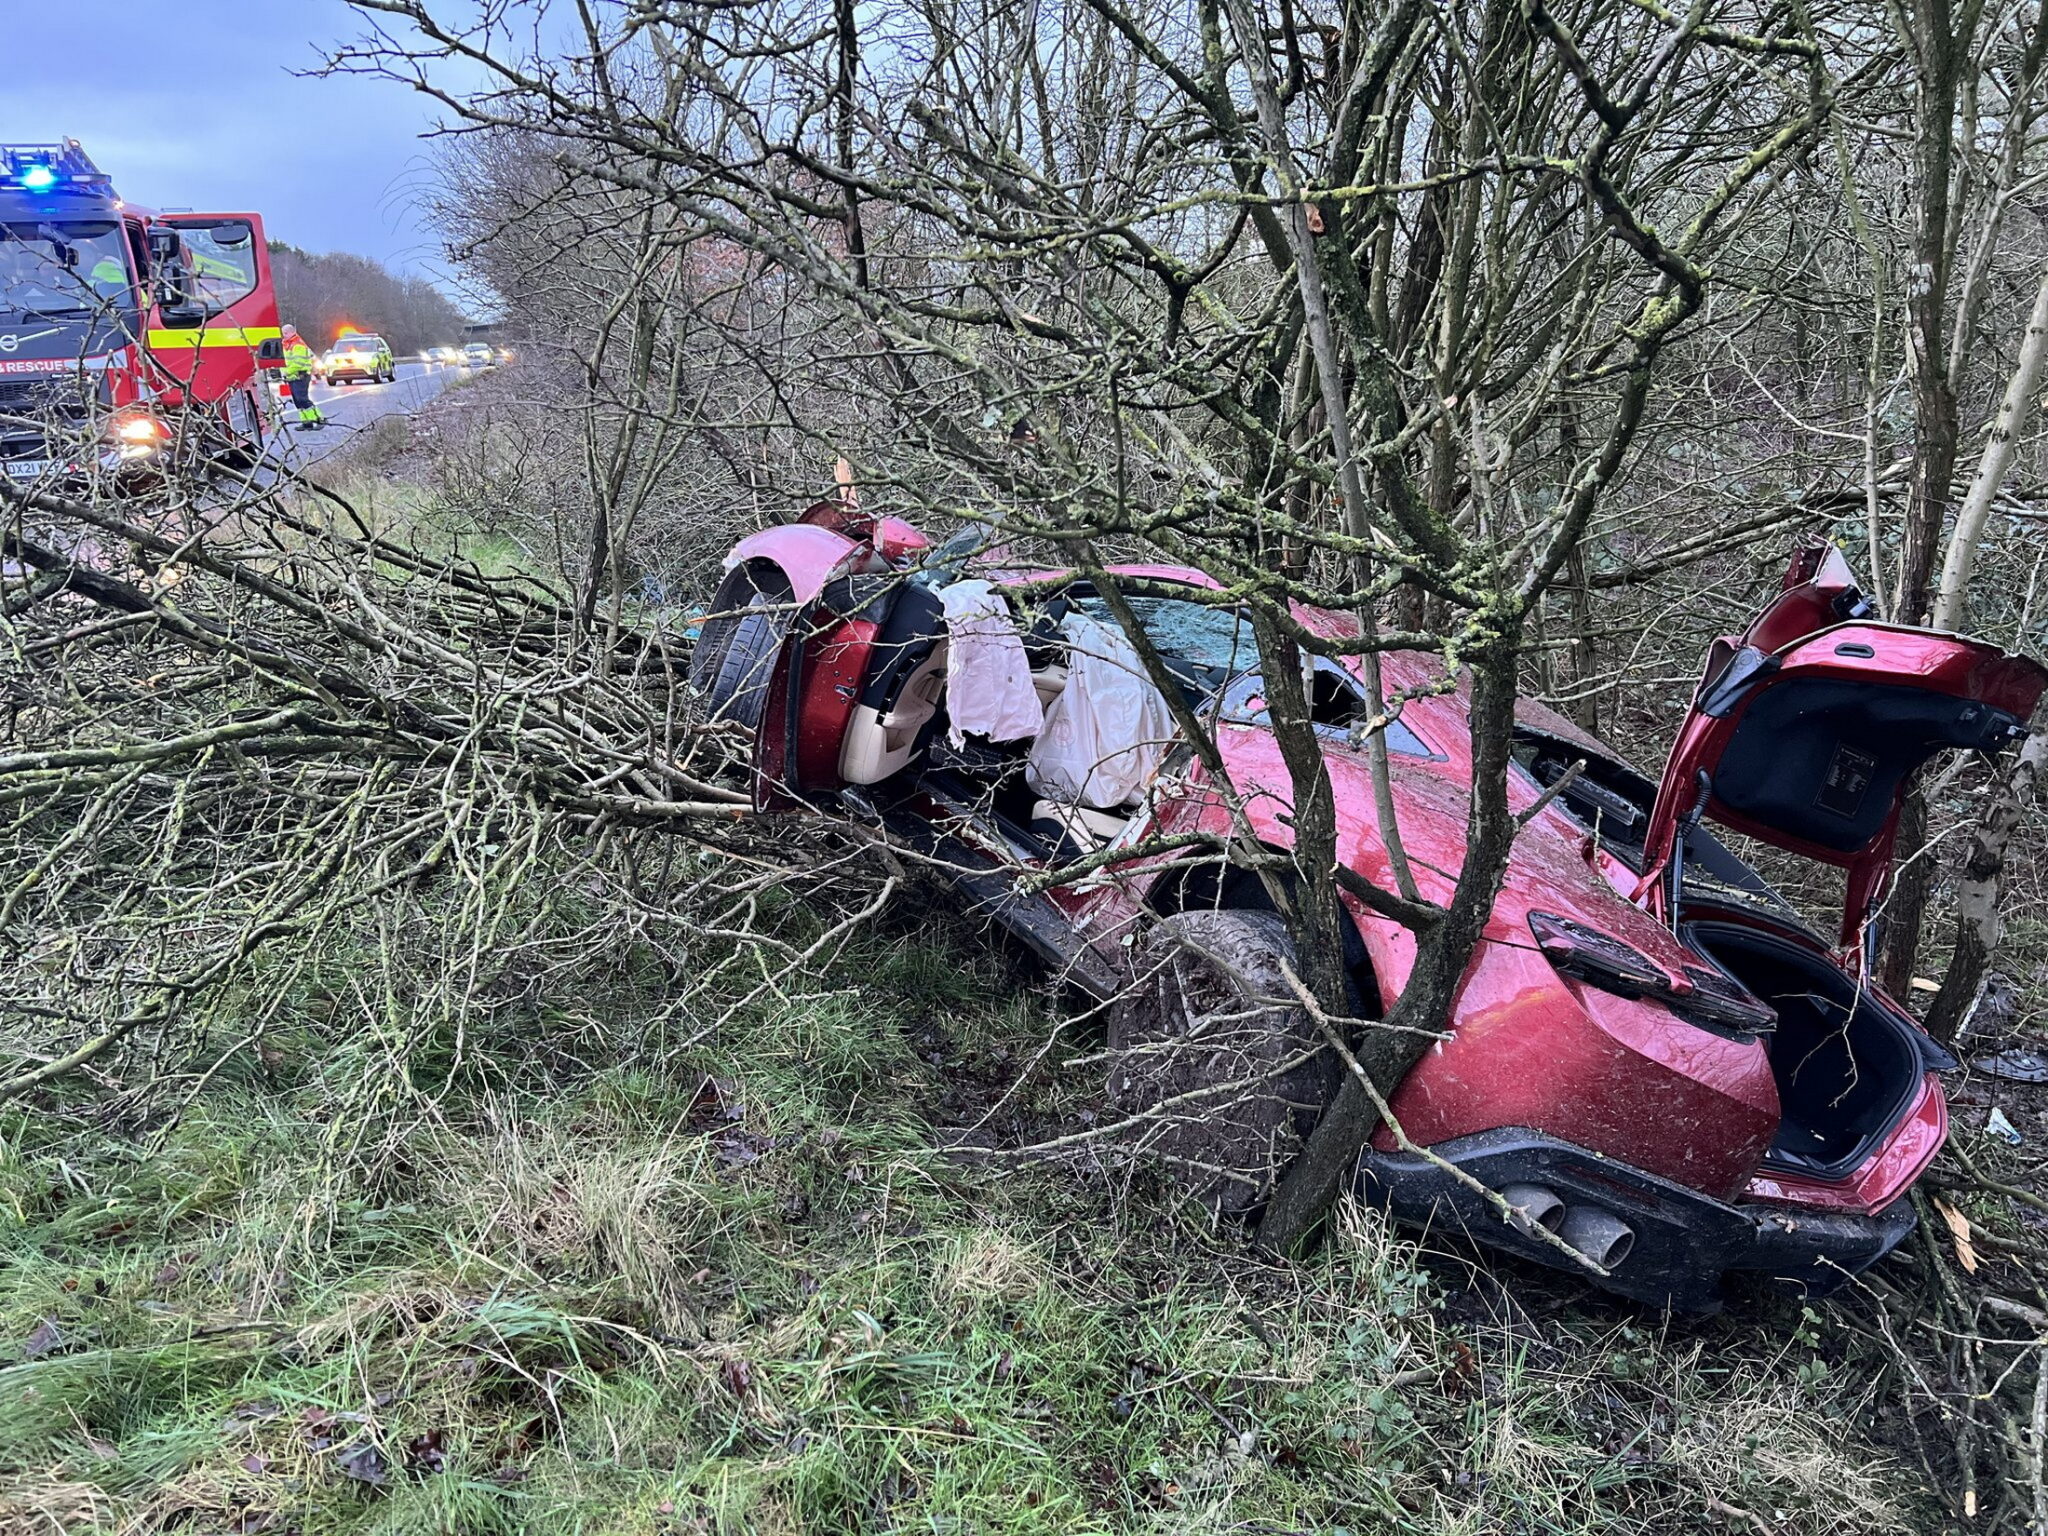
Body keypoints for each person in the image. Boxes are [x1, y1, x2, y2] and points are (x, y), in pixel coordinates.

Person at [281, 325, 323, 431]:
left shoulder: (298, 345)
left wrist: (287, 371)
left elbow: (298, 363)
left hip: (301, 375)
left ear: (292, 332)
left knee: (303, 399)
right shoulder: (287, 345)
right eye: (283, 333)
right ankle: (306, 422)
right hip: (292, 377)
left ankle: (319, 419)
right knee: (297, 401)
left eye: (285, 333)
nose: (283, 335)